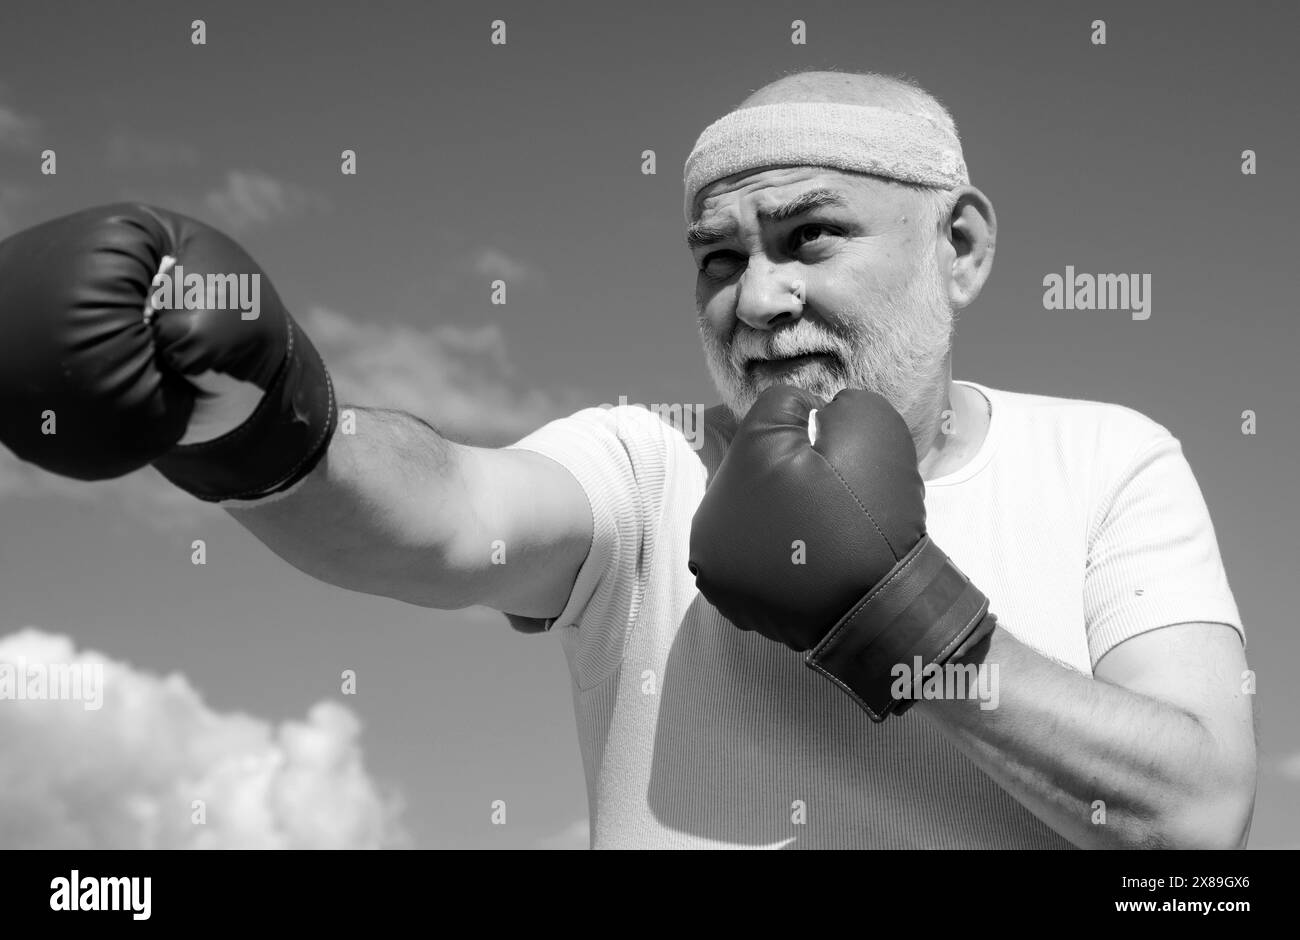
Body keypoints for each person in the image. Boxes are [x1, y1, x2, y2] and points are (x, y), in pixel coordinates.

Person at [0, 69, 1256, 849]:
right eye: (718, 258)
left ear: (963, 246)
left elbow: (1195, 816)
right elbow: (437, 519)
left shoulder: (1109, 457)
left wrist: (903, 615)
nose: (757, 296)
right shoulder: (650, 458)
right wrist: (253, 413)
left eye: (809, 237)